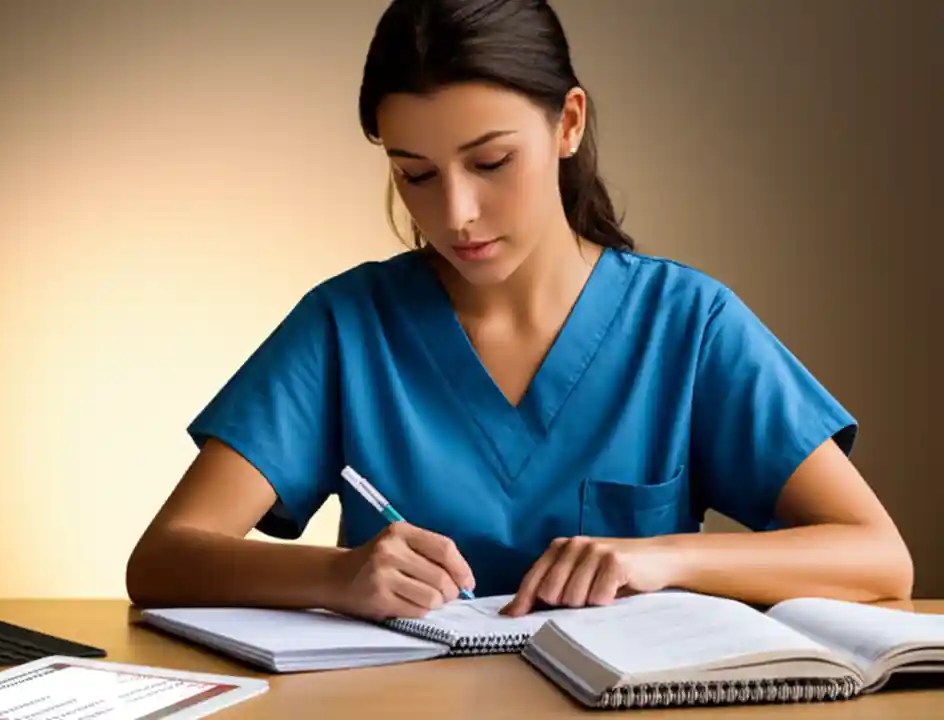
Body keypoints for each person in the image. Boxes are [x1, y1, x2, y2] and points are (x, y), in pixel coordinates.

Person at [125, 0, 913, 621]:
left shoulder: (689, 325)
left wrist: (657, 560)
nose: (457, 211)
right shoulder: (346, 325)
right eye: (415, 174)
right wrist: (337, 574)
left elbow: (879, 559)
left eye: (491, 162)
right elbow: (162, 561)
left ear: (568, 123)